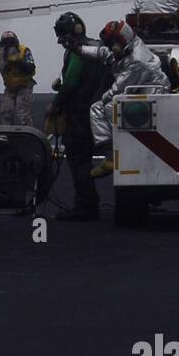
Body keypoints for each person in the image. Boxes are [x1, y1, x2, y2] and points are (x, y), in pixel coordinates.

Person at [71, 21, 170, 178]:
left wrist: (103, 98)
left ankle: (118, 152)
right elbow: (104, 53)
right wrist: (78, 49)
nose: (111, 47)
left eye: (113, 43)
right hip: (141, 89)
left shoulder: (137, 60)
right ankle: (110, 155)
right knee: (98, 108)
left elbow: (118, 89)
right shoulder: (127, 48)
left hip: (155, 93)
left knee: (110, 106)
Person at [50, 12, 111, 221]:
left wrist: (56, 104)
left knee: (78, 160)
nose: (60, 41)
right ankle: (89, 203)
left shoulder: (77, 52)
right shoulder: (99, 47)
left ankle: (85, 205)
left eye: (62, 36)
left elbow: (72, 82)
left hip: (79, 114)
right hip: (100, 112)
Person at [0, 31, 37, 126]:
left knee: (22, 111)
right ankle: (7, 133)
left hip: (25, 86)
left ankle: (28, 134)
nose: (8, 46)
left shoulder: (24, 51)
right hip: (9, 88)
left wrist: (19, 61)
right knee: (6, 110)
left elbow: (31, 68)